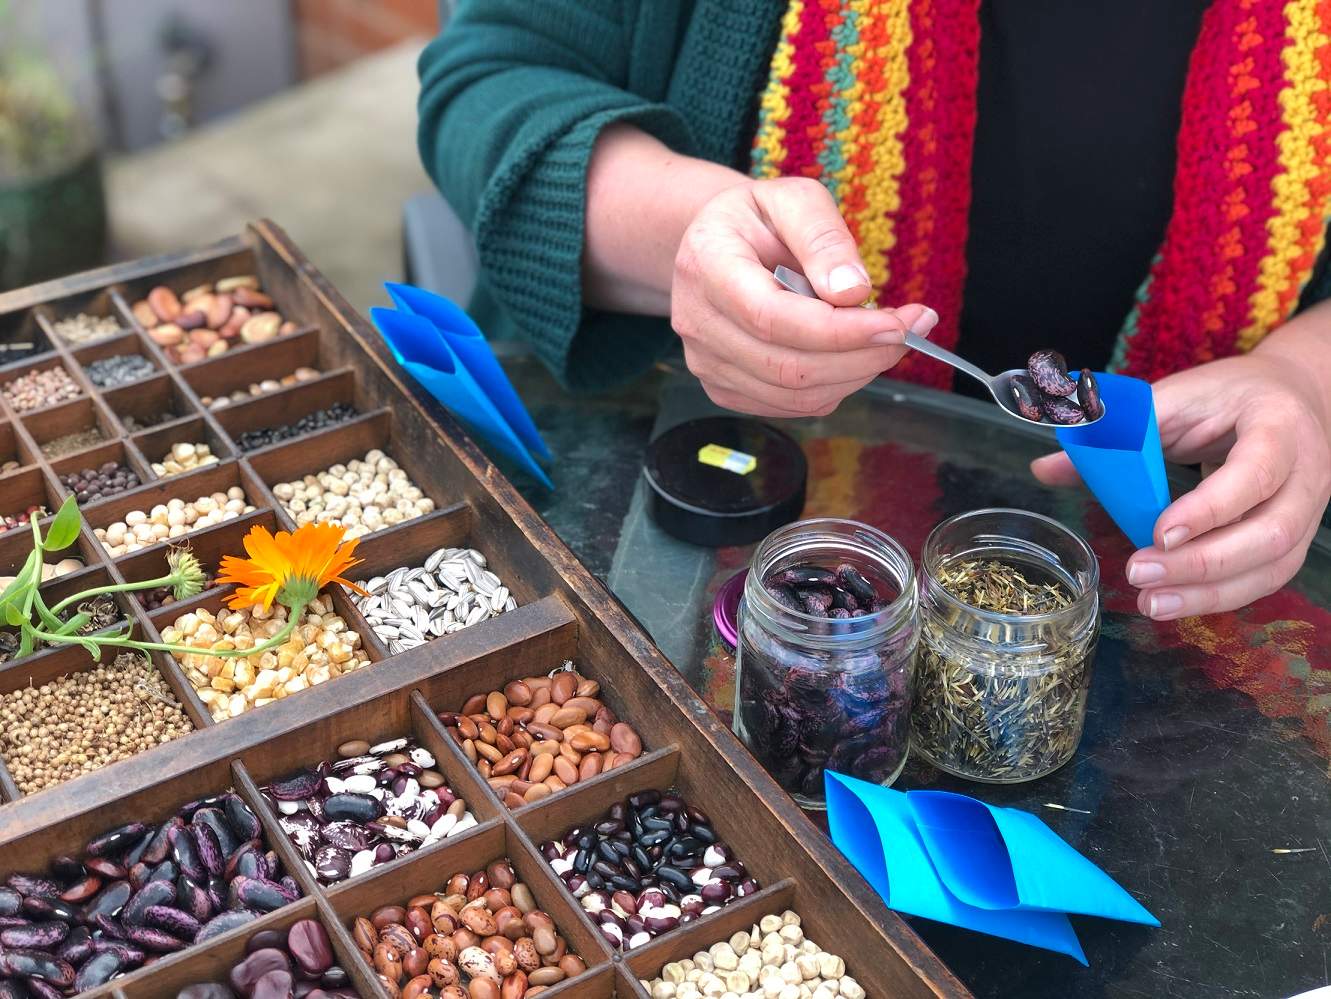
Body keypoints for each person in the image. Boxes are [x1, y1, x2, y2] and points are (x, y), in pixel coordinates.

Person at [417, 1, 1331, 621]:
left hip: (1177, 610)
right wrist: (690, 235)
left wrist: (1299, 377)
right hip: (670, 524)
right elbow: (493, 78)